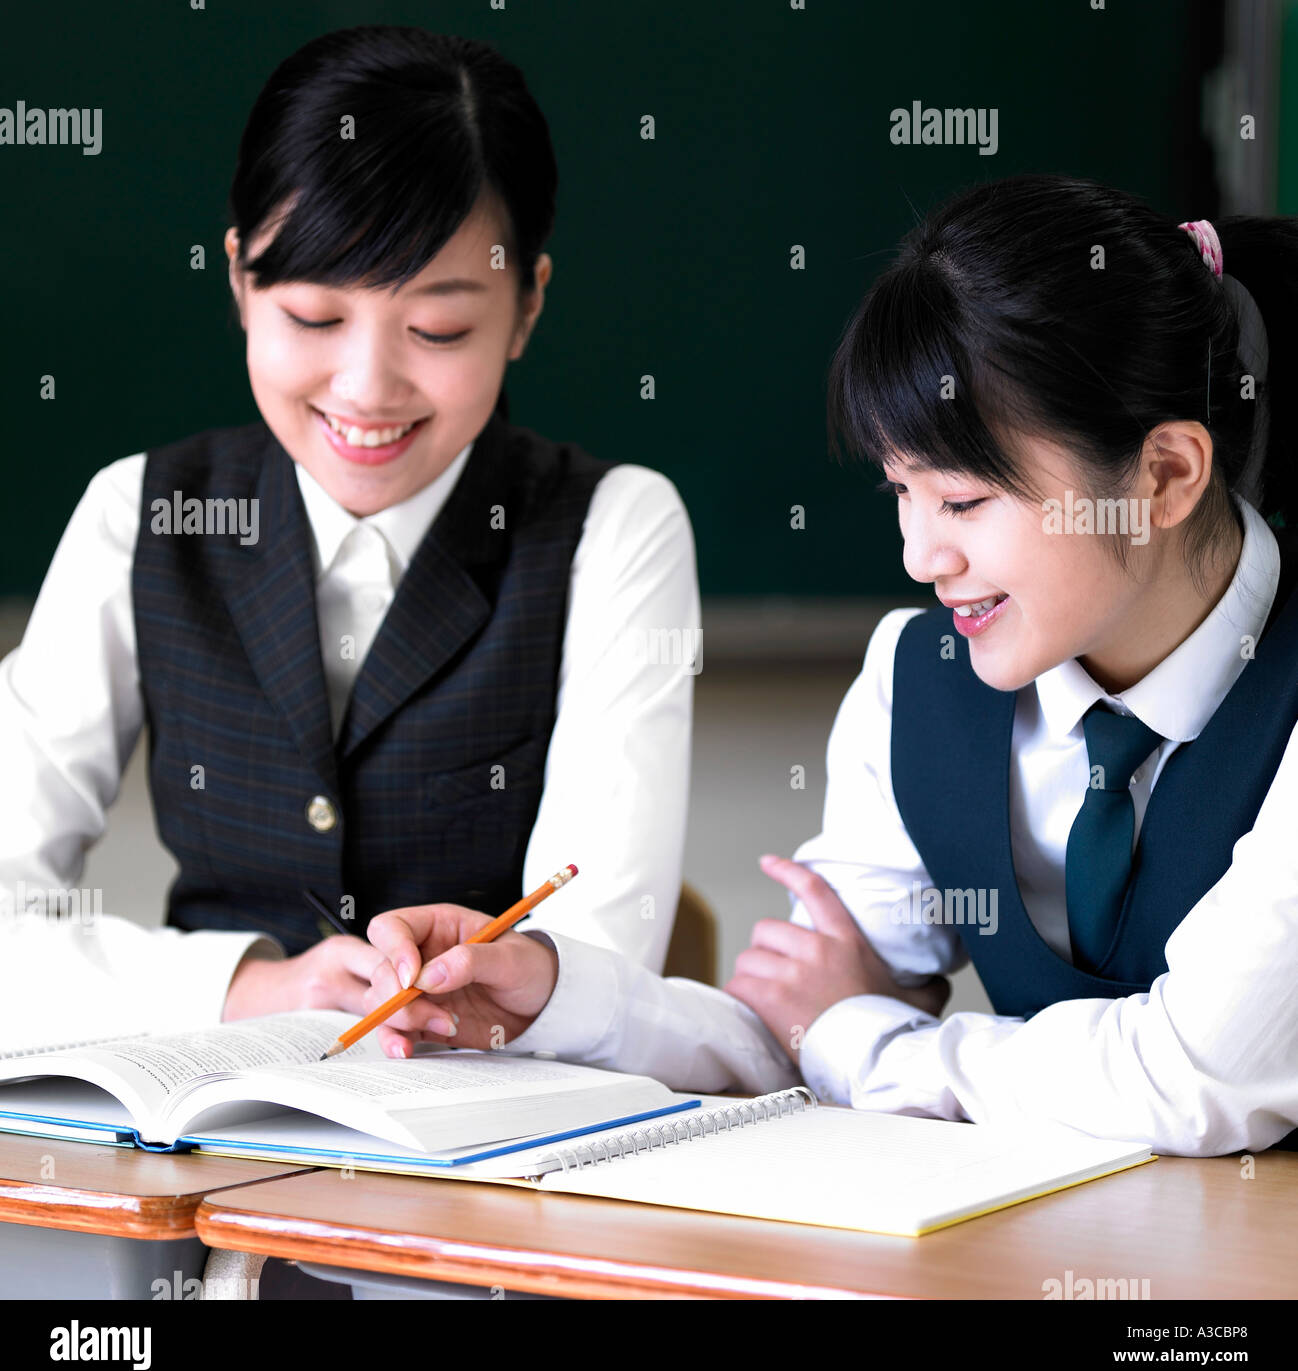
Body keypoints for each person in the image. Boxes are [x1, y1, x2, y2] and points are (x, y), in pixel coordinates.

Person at [365, 174, 1298, 1159]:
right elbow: (783, 1032)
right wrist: (546, 995)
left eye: (965, 502)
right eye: (901, 490)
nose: (918, 557)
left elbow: (1201, 1072)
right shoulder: (918, 676)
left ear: (1162, 476)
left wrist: (865, 1038)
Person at [0, 26, 696, 1047]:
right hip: (202, 1126)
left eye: (439, 329)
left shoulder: (612, 526)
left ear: (524, 307)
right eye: (315, 318)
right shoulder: (139, 512)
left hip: (489, 1149)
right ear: (239, 281)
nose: (366, 388)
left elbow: (600, 951)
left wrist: (515, 979)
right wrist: (249, 989)